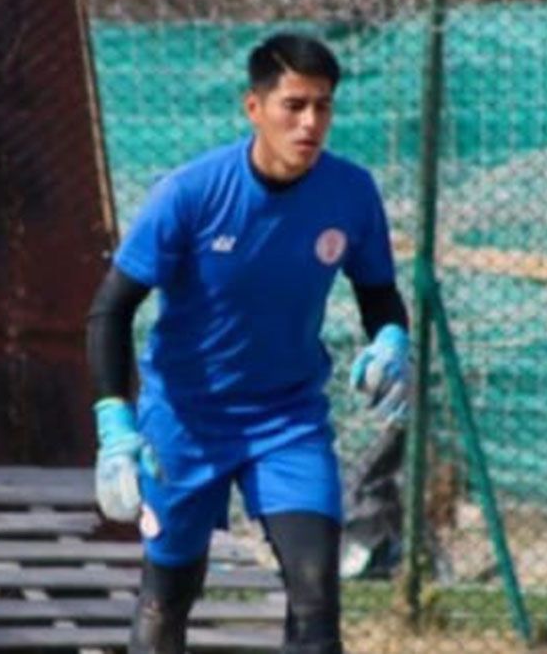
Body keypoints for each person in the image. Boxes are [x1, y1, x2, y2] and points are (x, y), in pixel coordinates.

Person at [85, 32, 411, 654]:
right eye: (294, 104)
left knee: (317, 595)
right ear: (254, 108)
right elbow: (111, 309)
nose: (311, 122)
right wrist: (114, 425)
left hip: (287, 418)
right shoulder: (190, 193)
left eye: (323, 105)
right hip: (184, 420)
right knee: (168, 594)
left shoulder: (351, 193)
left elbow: (378, 292)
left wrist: (392, 338)